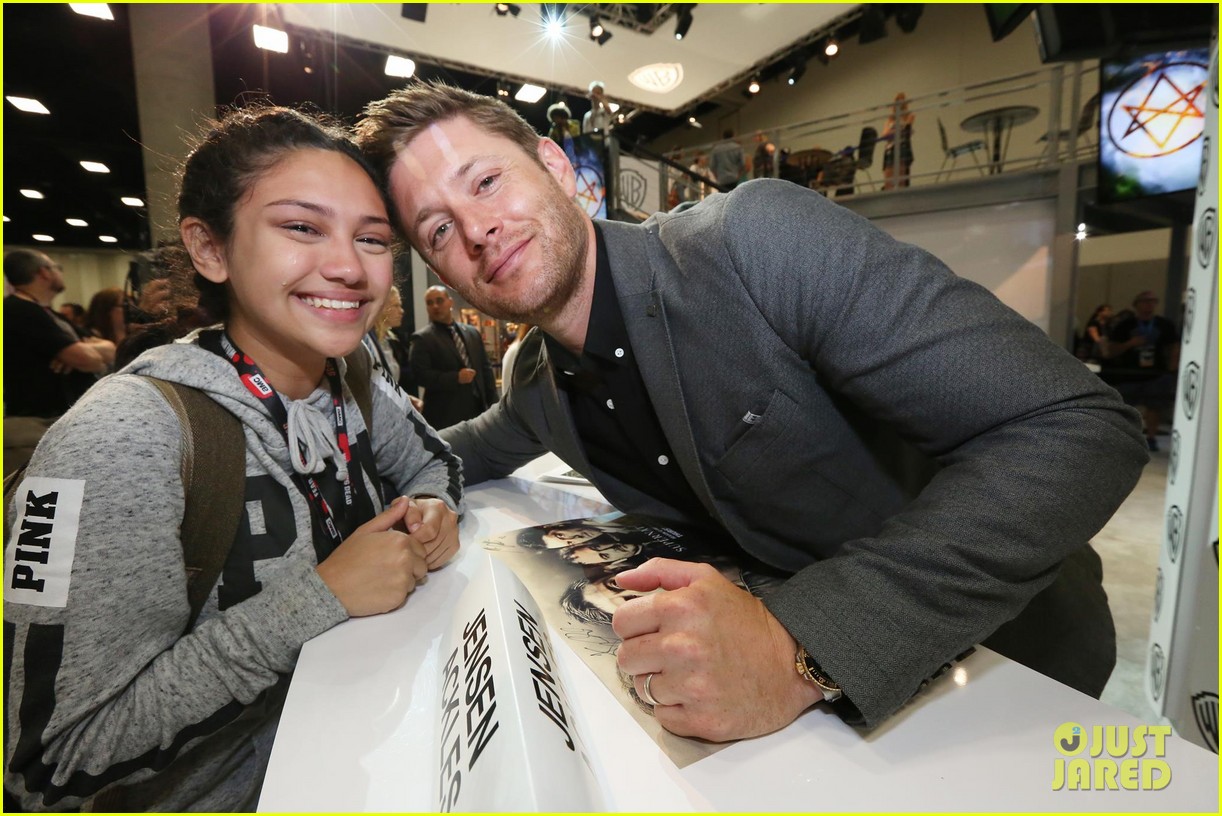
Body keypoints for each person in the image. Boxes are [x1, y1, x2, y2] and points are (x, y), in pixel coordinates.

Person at [355, 82, 1146, 740]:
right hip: (832, 733)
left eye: (486, 183)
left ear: (560, 168)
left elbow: (1076, 429)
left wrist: (801, 644)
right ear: (443, 277)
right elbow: (457, 448)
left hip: (1012, 664)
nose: (478, 229)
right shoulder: (536, 380)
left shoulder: (752, 241)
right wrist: (377, 479)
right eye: (439, 229)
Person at [3, 106, 463, 812]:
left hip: (363, 757)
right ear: (210, 248)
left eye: (371, 238)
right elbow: (49, 762)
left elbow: (436, 466)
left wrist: (433, 509)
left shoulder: (356, 378)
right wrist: (319, 600)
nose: (347, 267)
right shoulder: (118, 438)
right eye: (302, 227)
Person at [3, 250, 116, 473]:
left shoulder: (48, 314)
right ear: (44, 273)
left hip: (55, 424)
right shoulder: (19, 311)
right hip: (34, 428)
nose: (59, 273)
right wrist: (81, 354)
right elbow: (88, 360)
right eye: (57, 268)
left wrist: (77, 352)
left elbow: (110, 348)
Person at [409, 285, 497, 429]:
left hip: (478, 411)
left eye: (439, 300)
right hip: (446, 416)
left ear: (450, 302)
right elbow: (420, 376)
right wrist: (455, 377)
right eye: (430, 303)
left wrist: (494, 405)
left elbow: (485, 370)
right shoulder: (422, 338)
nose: (435, 306)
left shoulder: (472, 333)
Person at [1102, 291, 1180, 450]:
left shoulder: (1164, 325)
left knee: (1155, 406)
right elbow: (1111, 350)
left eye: (1152, 301)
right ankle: (1123, 437)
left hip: (1156, 373)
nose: (1149, 305)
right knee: (1125, 407)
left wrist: (1172, 367)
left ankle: (1151, 437)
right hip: (1129, 374)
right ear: (1136, 304)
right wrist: (1130, 344)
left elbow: (1174, 346)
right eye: (1145, 301)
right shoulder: (1125, 325)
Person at [881, 92, 915, 190]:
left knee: (900, 179)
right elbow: (884, 134)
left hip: (902, 148)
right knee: (888, 178)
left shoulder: (909, 116)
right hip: (890, 149)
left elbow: (906, 130)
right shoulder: (890, 119)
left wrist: (894, 131)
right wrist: (894, 131)